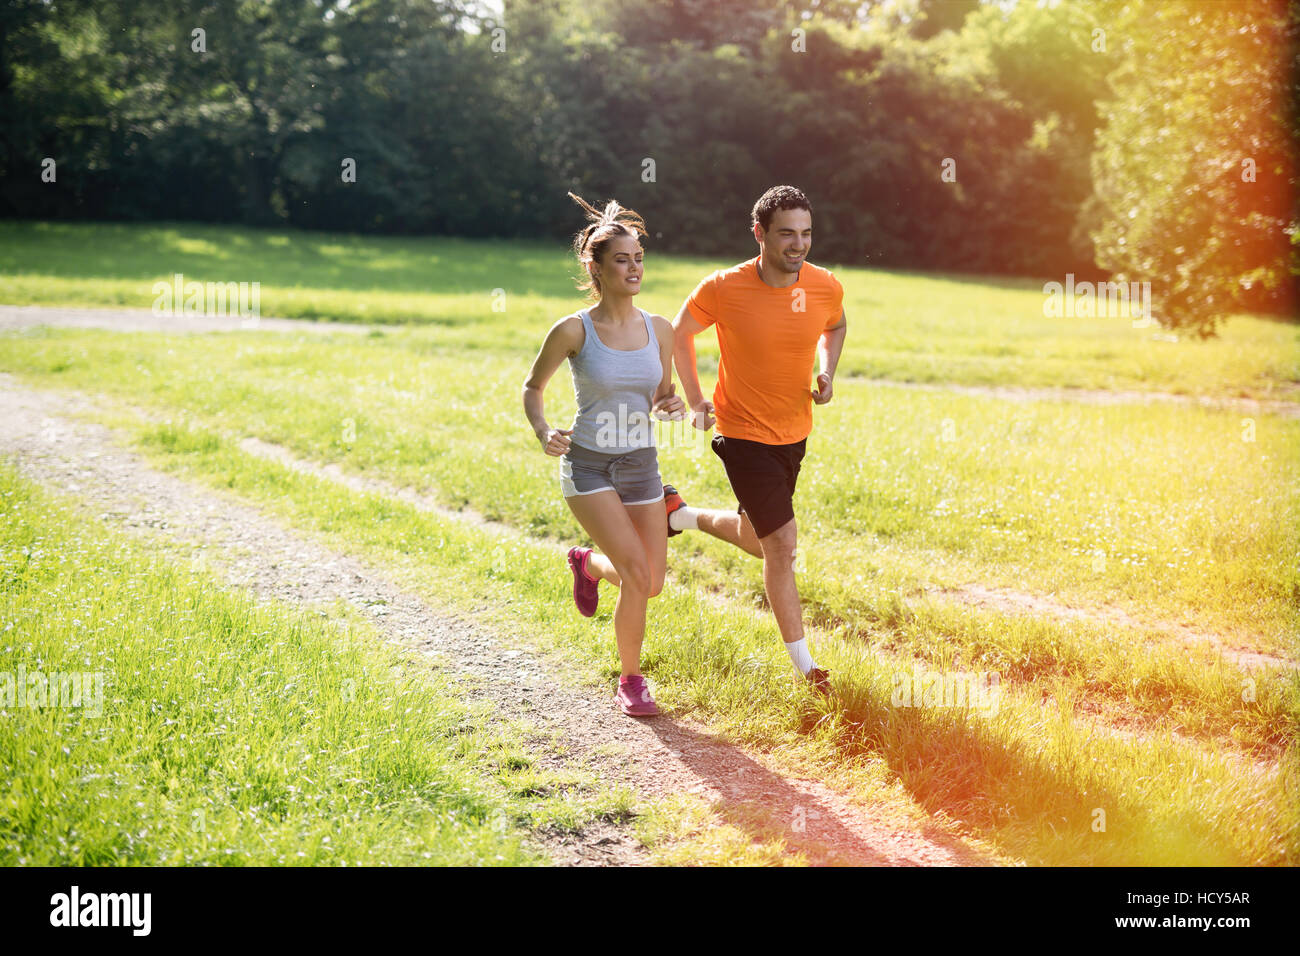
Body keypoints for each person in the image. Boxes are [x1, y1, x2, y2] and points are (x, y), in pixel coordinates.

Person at [666, 185, 847, 692]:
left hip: (794, 433)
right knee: (783, 546)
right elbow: (679, 333)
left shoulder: (825, 286)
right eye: (787, 233)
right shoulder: (724, 287)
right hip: (742, 432)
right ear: (759, 233)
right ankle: (808, 669)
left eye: (806, 233)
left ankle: (679, 515)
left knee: (758, 540)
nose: (799, 244)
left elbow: (836, 326)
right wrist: (697, 399)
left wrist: (828, 371)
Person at [522, 193, 686, 717]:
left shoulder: (659, 329)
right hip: (589, 465)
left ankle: (587, 564)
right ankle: (632, 680)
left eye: (639, 257)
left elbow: (662, 391)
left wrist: (670, 402)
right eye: (623, 259)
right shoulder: (574, 329)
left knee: (652, 582)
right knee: (637, 574)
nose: (635, 267)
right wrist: (544, 429)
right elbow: (533, 387)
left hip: (641, 465)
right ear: (596, 267)